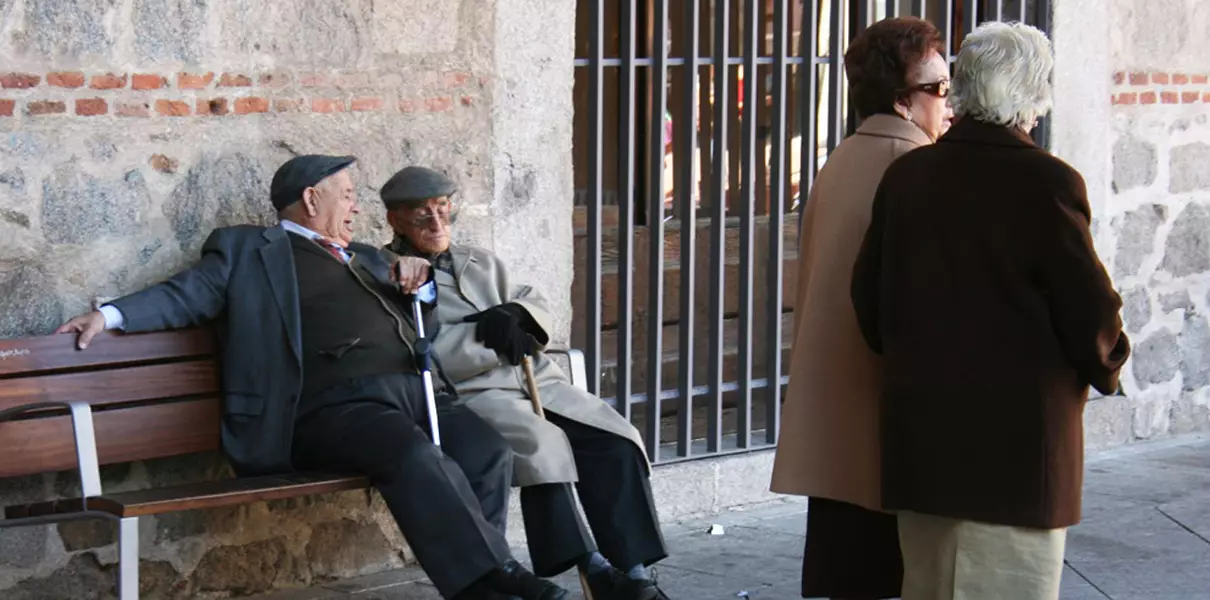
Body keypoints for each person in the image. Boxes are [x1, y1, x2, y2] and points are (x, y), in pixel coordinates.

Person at [54, 155, 570, 600]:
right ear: (309, 199)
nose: (355, 207)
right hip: (331, 407)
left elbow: (423, 324)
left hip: (415, 393)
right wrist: (109, 316)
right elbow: (184, 294)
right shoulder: (248, 251)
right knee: (411, 454)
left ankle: (481, 584)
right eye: (346, 196)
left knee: (486, 448)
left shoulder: (370, 257)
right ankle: (496, 571)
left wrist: (423, 287)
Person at [850, 22, 1130, 600]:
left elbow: (868, 300)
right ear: (1031, 94)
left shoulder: (909, 176)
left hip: (924, 442)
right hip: (1018, 453)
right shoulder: (1046, 182)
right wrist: (1109, 364)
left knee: (928, 584)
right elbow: (1091, 312)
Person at [377, 165, 672, 600]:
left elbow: (533, 299)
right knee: (541, 447)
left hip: (539, 380)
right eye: (422, 216)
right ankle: (592, 567)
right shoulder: (395, 274)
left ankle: (634, 573)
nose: (437, 223)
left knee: (615, 438)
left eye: (442, 210)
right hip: (477, 392)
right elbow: (418, 349)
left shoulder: (480, 260)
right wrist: (486, 338)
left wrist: (515, 315)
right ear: (395, 220)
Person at [768, 16, 951, 600]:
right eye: (939, 89)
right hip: (881, 397)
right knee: (885, 565)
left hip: (832, 398)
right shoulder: (917, 168)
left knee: (846, 562)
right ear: (903, 101)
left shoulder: (843, 157)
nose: (949, 104)